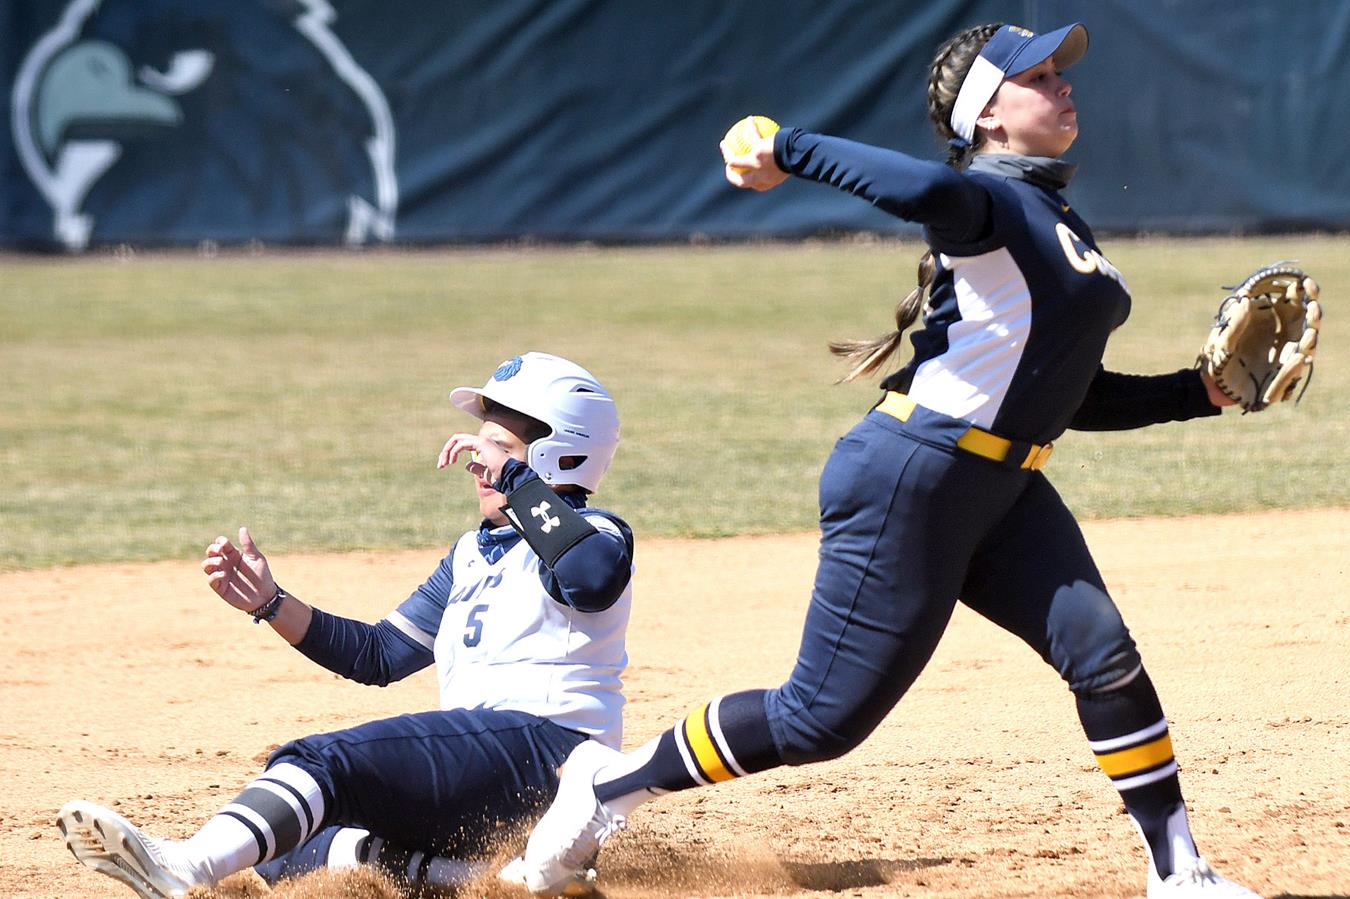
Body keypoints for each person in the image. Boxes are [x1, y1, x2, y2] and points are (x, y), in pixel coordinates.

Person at [500, 21, 1263, 899]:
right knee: (819, 719)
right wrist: (791, 148)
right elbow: (926, 188)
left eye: (1060, 73)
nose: (1062, 86)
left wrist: (1195, 393)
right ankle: (607, 786)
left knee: (1104, 654)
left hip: (1006, 484)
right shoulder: (989, 203)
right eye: (1038, 76)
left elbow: (1067, 395)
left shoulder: (1052, 220)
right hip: (912, 475)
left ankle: (1182, 873)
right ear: (988, 117)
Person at [59, 351, 634, 898]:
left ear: (558, 455)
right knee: (286, 836)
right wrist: (272, 603)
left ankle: (185, 866)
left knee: (316, 764)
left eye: (498, 447)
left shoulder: (596, 533)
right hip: (487, 773)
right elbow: (380, 655)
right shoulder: (471, 554)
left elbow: (591, 579)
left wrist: (515, 481)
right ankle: (482, 878)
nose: (477, 461)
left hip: (552, 759)